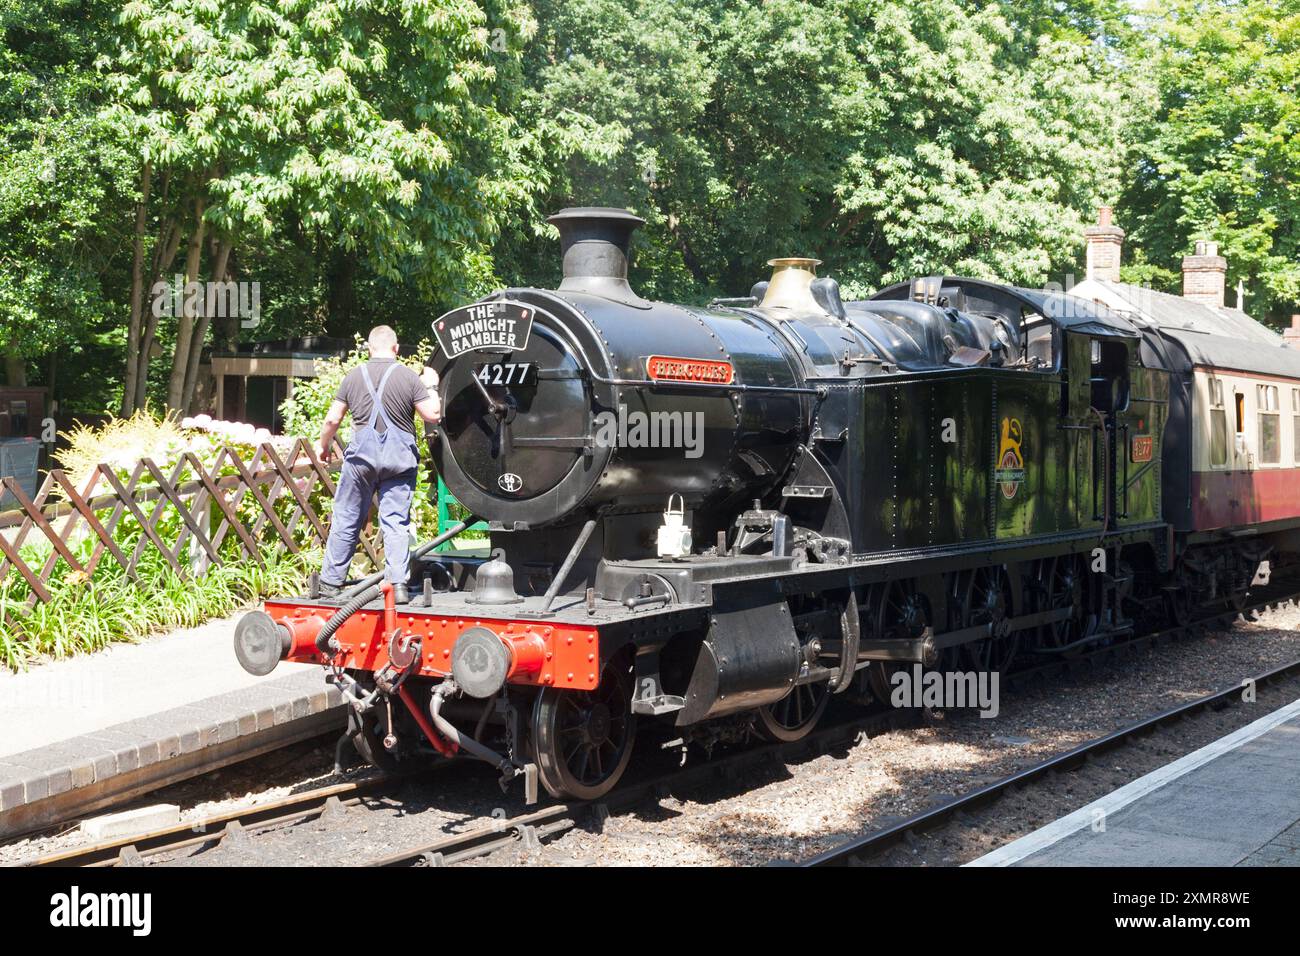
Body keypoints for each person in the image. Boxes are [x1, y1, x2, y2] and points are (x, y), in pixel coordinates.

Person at [317, 325, 442, 603]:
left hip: (361, 462)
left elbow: (332, 419)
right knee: (395, 522)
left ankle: (330, 584)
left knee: (348, 515)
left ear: (370, 349)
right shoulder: (409, 377)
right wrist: (431, 384)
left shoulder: (352, 377)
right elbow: (432, 414)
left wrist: (323, 446)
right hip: (399, 461)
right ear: (396, 349)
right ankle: (397, 586)